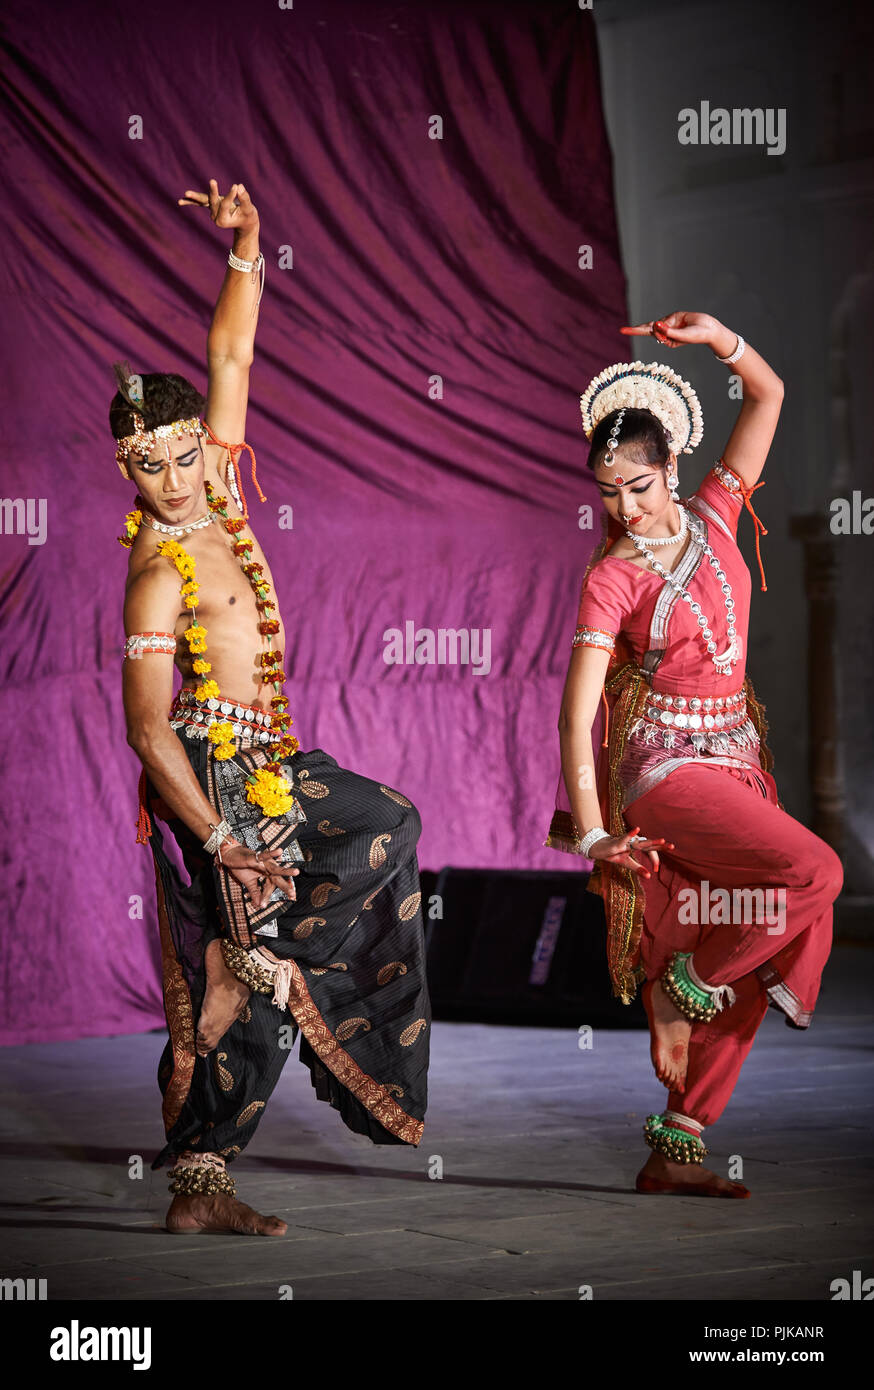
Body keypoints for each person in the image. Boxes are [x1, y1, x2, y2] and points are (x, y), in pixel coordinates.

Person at [112, 179, 430, 1236]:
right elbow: (146, 727)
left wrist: (248, 243)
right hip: (213, 772)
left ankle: (253, 969)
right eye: (148, 466)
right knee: (250, 969)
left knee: (384, 823)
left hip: (275, 760)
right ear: (126, 467)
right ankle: (202, 1178)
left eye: (181, 454)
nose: (172, 479)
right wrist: (217, 836)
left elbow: (233, 356)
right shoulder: (153, 576)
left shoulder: (221, 489)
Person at [544, 312, 841, 1197]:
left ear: (670, 466)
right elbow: (577, 716)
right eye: (608, 493)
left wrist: (720, 340)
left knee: (757, 929)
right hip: (667, 772)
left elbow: (770, 395)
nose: (624, 509)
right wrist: (594, 835)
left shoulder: (716, 510)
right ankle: (681, 985)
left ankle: (677, 1146)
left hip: (738, 762)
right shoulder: (612, 578)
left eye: (637, 486)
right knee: (815, 874)